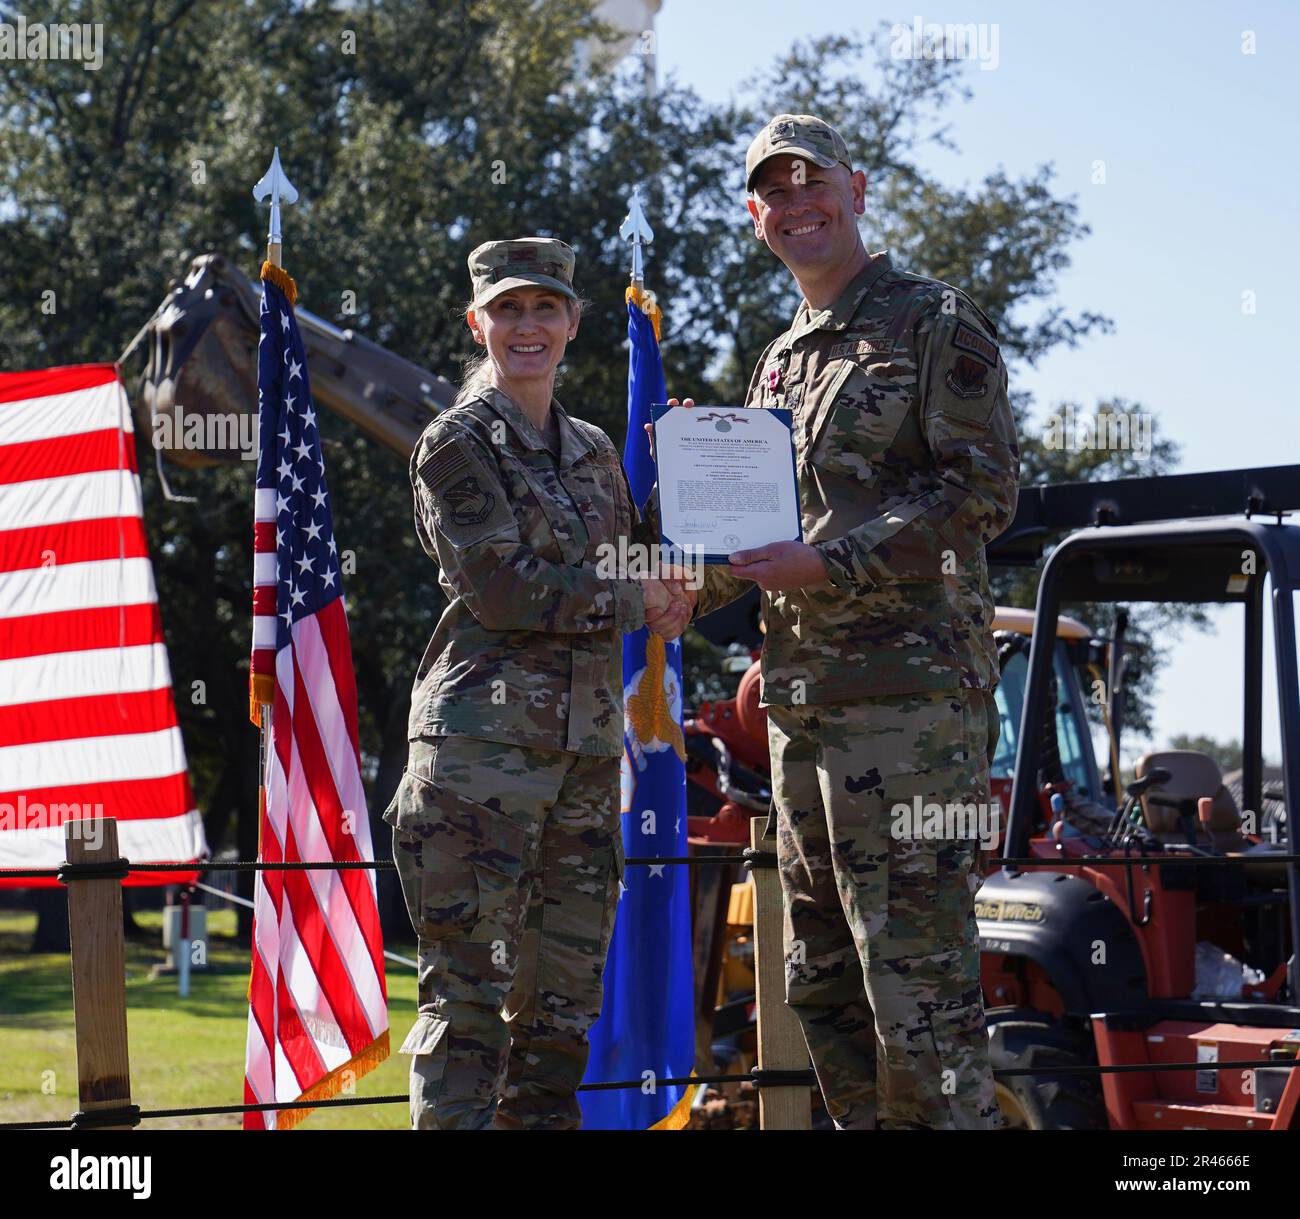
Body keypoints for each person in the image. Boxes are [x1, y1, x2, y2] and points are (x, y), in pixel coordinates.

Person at [665, 115, 1020, 1129]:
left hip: (909, 714)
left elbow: (982, 493)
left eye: (809, 181)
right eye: (772, 191)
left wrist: (830, 561)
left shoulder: (933, 321)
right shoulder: (777, 364)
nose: (794, 204)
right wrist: (671, 581)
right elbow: (755, 542)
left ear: (855, 187)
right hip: (800, 716)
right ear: (754, 216)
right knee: (821, 988)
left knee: (918, 998)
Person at [385, 236, 690, 1130]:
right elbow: (504, 586)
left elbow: (649, 577)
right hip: (479, 758)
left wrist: (718, 495)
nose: (528, 326)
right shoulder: (456, 443)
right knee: (469, 1010)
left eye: (545, 308)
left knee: (561, 1017)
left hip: (586, 761)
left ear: (573, 323)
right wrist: (641, 593)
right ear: (477, 323)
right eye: (508, 309)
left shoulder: (596, 448)